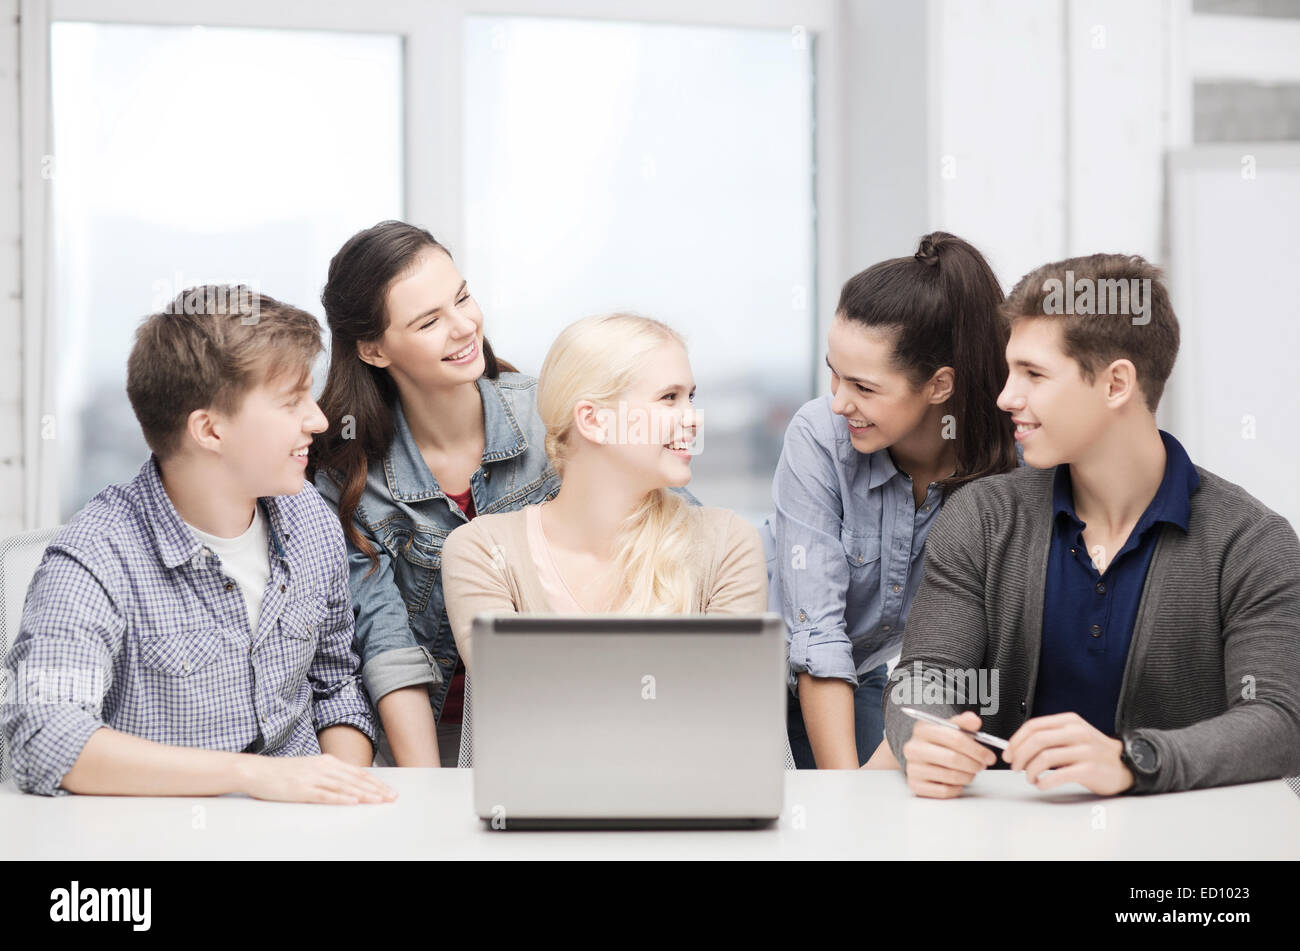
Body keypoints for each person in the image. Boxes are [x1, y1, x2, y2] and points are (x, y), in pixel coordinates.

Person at [883, 253, 1300, 797]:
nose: (1006, 397)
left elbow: (1278, 721)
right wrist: (927, 733)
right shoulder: (982, 517)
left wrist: (1133, 761)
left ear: (1115, 384)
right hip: (1002, 840)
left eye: (1033, 374)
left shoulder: (1252, 544)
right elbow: (919, 682)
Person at [1, 286, 395, 804]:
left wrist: (336, 793)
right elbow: (43, 736)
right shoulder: (95, 556)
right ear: (209, 430)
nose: (318, 420)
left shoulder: (311, 523)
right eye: (291, 401)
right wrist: (253, 777)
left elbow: (335, 687)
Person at [309, 221, 559, 767]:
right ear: (374, 350)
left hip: (553, 729)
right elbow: (385, 644)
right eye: (428, 322)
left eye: (463, 297)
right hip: (423, 744)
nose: (464, 327)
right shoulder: (344, 475)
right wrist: (427, 795)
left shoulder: (551, 419)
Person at [764, 232, 1017, 769]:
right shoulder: (819, 436)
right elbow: (817, 632)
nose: (838, 402)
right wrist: (844, 794)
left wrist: (866, 787)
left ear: (939, 386)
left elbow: (963, 653)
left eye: (864, 387)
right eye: (832, 373)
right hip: (763, 675)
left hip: (865, 676)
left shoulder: (1012, 468)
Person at [441, 313, 766, 674]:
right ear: (593, 420)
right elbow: (519, 711)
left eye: (690, 396)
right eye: (669, 397)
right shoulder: (483, 552)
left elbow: (726, 711)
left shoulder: (728, 543)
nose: (694, 418)